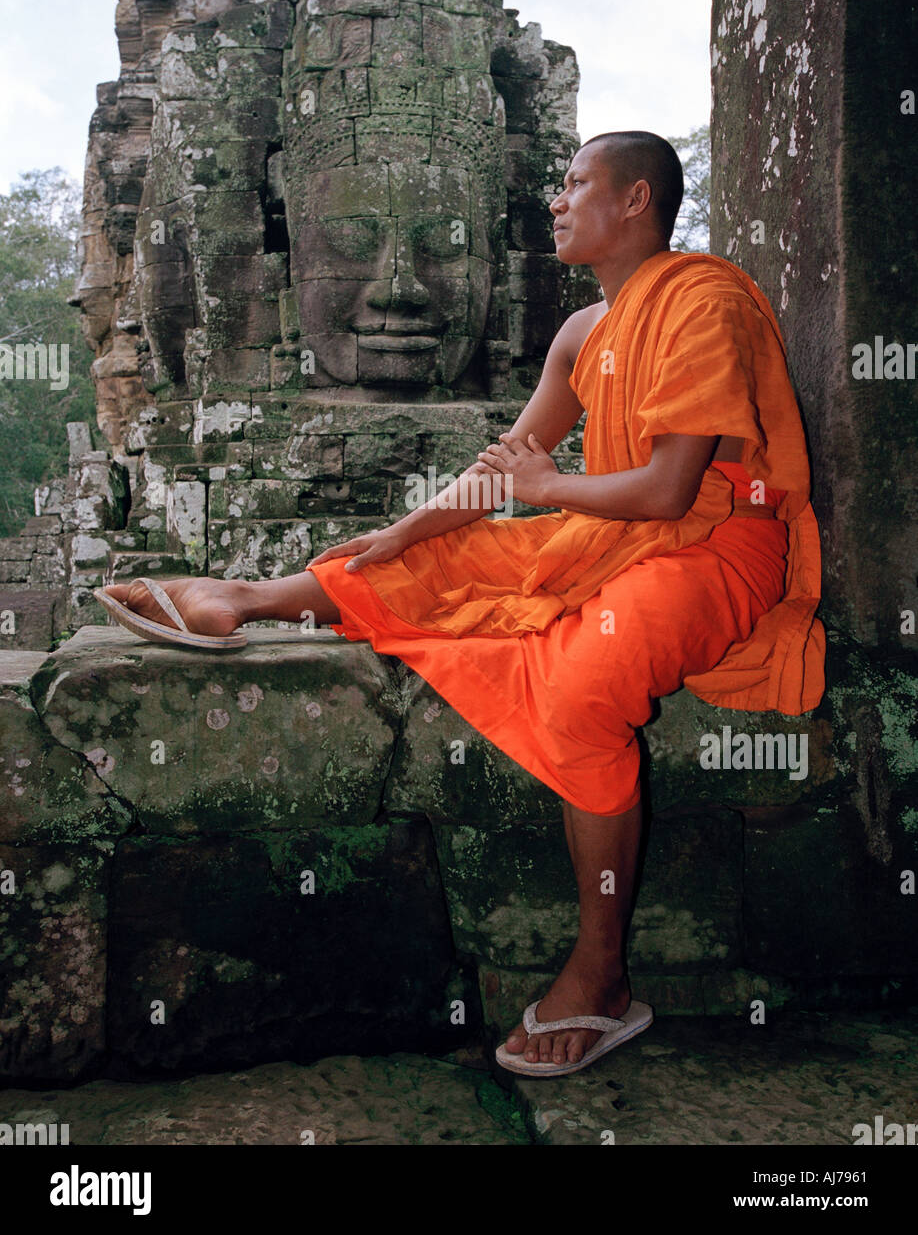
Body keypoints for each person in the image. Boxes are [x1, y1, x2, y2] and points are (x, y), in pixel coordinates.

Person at [100, 131, 825, 1077]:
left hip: (717, 550)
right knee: (442, 563)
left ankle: (602, 971)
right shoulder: (580, 333)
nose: (557, 202)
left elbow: (666, 492)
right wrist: (406, 533)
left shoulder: (704, 300)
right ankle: (241, 598)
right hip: (612, 534)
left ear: (637, 200)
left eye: (574, 185)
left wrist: (550, 490)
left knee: (585, 692)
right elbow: (506, 472)